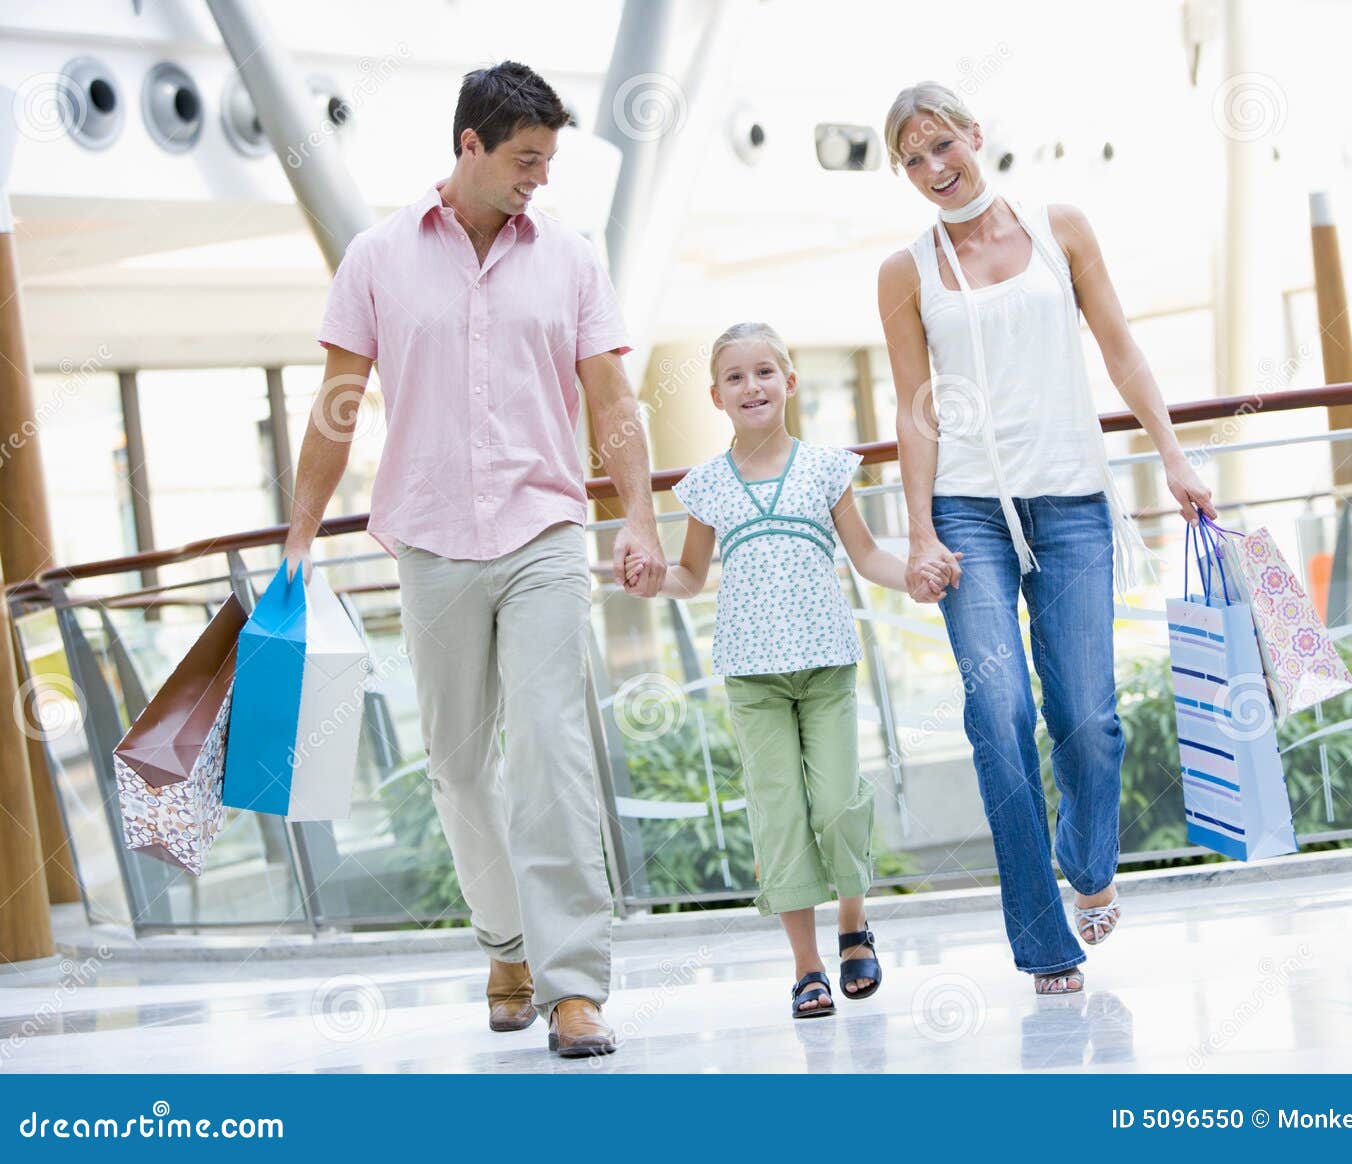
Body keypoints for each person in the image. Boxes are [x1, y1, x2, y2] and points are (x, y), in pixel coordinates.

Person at [285, 61, 667, 1057]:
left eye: (549, 158)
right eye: (524, 158)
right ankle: (505, 944)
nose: (539, 175)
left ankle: (574, 984)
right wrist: (297, 531)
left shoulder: (572, 259)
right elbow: (335, 403)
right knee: (457, 767)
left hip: (543, 530)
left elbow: (612, 402)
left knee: (552, 748)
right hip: (431, 537)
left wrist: (637, 518)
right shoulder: (377, 257)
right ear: (469, 147)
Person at [876, 82, 1215, 995]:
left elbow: (1121, 348)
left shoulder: (1060, 228)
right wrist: (917, 532)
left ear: (976, 136)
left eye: (943, 145)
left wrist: (1174, 457)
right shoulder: (906, 271)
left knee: (1087, 720)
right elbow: (915, 408)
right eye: (912, 159)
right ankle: (1042, 939)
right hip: (967, 513)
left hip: (1068, 503)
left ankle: (1091, 862)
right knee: (999, 716)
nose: (933, 169)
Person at [628, 322, 953, 1018]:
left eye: (765, 372)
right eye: (737, 378)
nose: (753, 386)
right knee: (779, 816)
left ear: (790, 382)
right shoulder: (706, 486)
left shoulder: (826, 468)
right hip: (752, 675)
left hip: (826, 664)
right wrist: (653, 579)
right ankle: (806, 966)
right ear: (716, 396)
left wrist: (915, 576)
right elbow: (688, 576)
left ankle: (852, 922)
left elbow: (867, 556)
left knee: (836, 801)